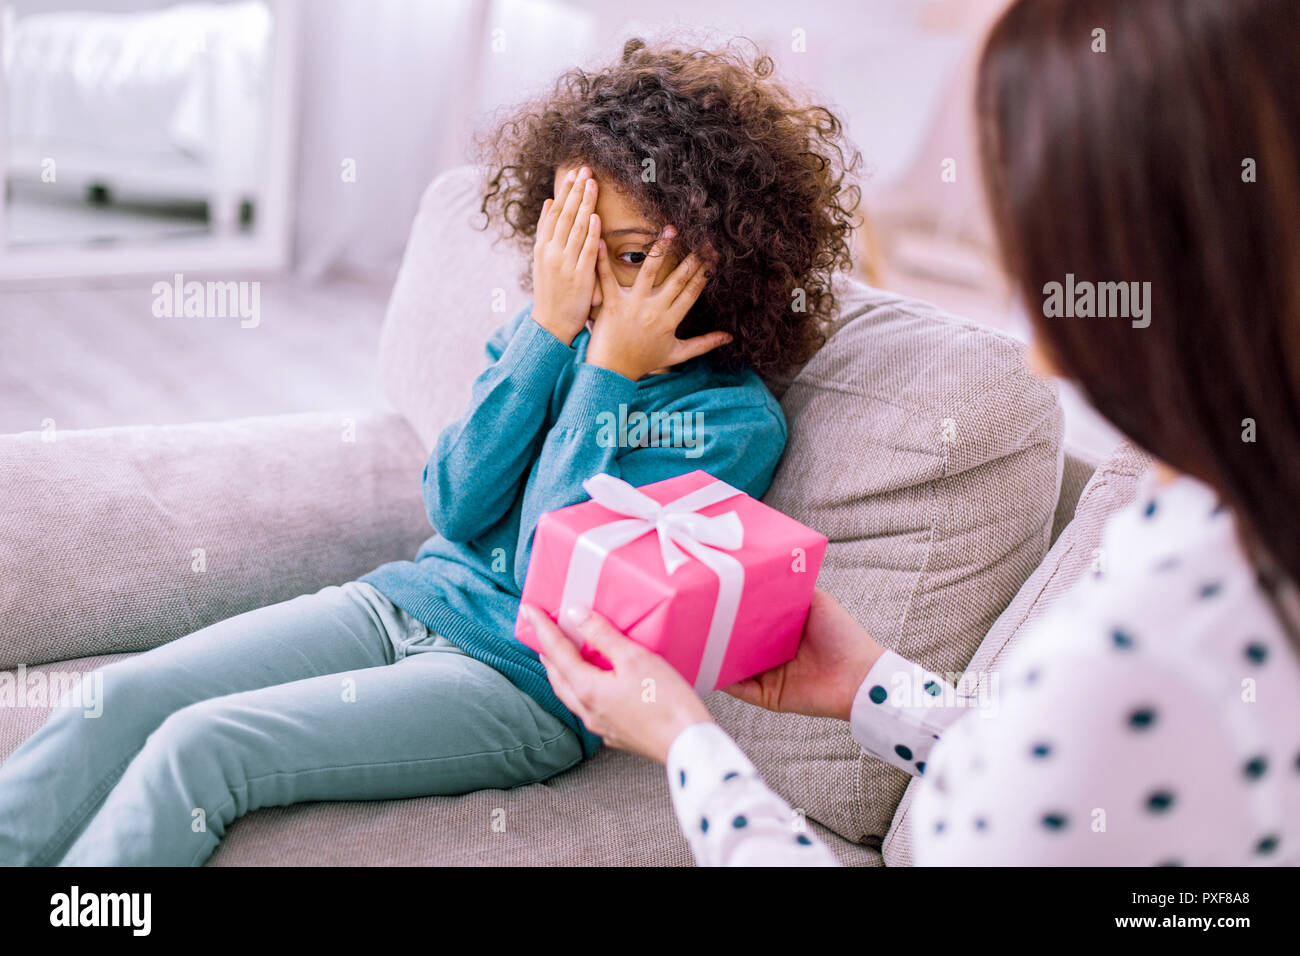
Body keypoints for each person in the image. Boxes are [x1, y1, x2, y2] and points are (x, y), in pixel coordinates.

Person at [0, 38, 859, 866]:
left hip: (519, 687)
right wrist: (551, 334)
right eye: (571, 247)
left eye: (629, 257)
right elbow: (452, 501)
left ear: (721, 258)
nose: (593, 287)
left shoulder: (731, 424)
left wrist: (608, 374)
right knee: (122, 697)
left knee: (202, 747)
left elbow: (550, 586)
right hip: (399, 604)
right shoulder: (550, 338)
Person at [522, 0, 1300, 866]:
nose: (1045, 345)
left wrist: (688, 744)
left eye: (1038, 254)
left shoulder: (1142, 650)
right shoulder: (1217, 546)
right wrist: (873, 688)